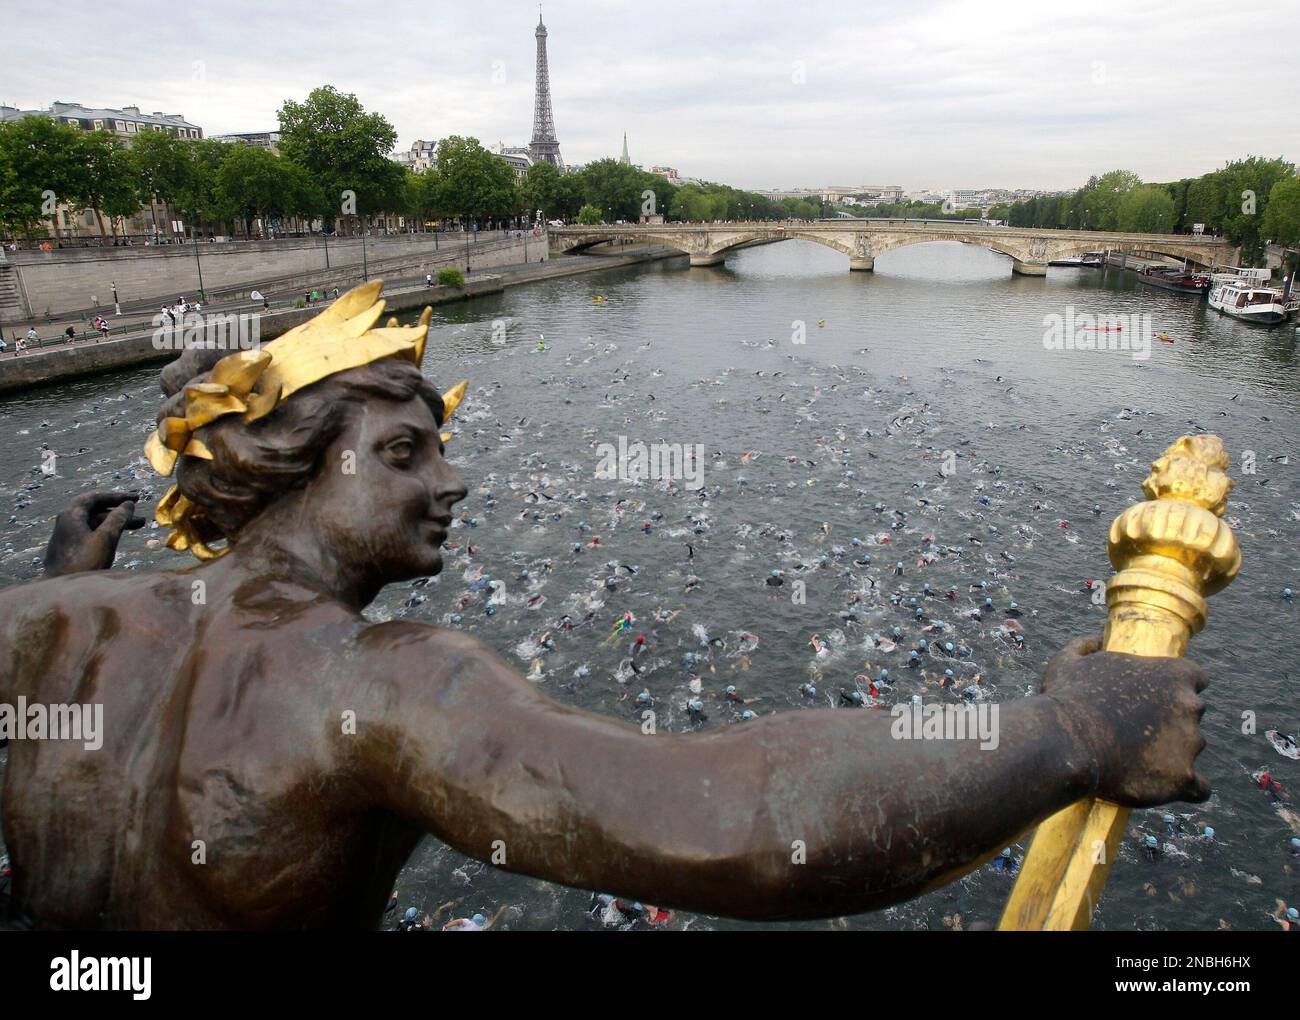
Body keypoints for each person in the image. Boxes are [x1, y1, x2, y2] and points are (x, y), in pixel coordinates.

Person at [0, 280, 1214, 931]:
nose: (453, 477)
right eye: (409, 451)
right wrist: (1072, 732)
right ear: (298, 463)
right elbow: (731, 820)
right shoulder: (380, 681)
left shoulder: (41, 628)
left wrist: (70, 578)